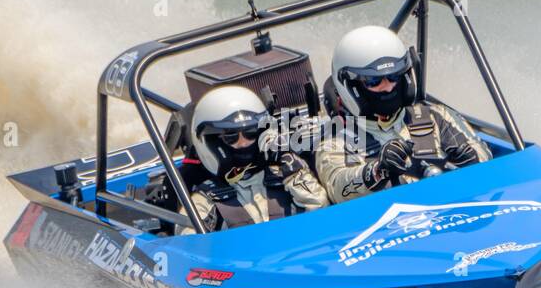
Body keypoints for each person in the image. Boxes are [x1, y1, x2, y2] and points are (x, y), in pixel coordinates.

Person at [316, 25, 490, 203]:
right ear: (351, 87)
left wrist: (471, 159)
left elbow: (487, 161)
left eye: (394, 76)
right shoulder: (335, 141)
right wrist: (375, 171)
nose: (389, 87)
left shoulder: (436, 116)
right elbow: (338, 189)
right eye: (374, 81)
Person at [184, 85, 328, 232]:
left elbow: (323, 217)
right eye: (231, 137)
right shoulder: (203, 201)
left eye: (251, 132)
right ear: (211, 142)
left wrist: (295, 173)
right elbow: (188, 248)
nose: (243, 143)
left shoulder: (287, 176)